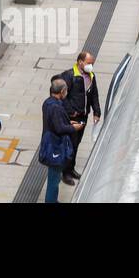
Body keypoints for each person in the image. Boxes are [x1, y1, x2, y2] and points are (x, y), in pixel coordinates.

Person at [57, 52, 101, 183]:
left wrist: (97, 112)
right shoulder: (70, 75)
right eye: (89, 63)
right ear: (80, 62)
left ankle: (71, 169)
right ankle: (65, 173)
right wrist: (71, 112)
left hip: (83, 116)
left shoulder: (91, 76)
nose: (91, 66)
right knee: (70, 144)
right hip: (73, 117)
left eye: (92, 63)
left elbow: (94, 95)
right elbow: (62, 96)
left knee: (76, 144)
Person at [41, 77, 83, 203]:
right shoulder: (56, 107)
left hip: (50, 143)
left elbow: (54, 122)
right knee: (54, 180)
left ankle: (53, 200)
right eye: (66, 90)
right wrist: (73, 127)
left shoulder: (48, 102)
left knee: (54, 178)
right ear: (62, 91)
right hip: (55, 147)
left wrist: (68, 121)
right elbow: (59, 128)